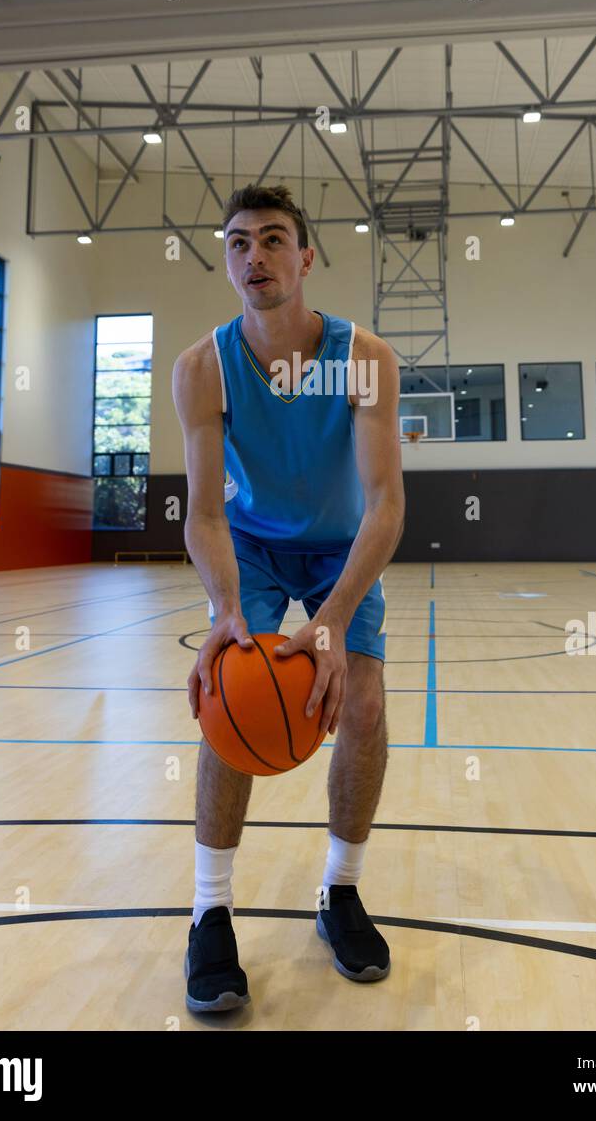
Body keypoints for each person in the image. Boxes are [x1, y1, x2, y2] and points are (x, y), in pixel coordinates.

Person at [171, 183, 405, 1012]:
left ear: (305, 258)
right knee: (226, 698)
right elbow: (201, 514)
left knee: (366, 708)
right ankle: (210, 912)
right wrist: (227, 613)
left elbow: (384, 505)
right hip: (254, 549)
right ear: (226, 261)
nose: (254, 256)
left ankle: (339, 891)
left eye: (273, 240)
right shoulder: (201, 367)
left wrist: (334, 621)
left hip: (342, 547)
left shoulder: (364, 357)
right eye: (238, 243)